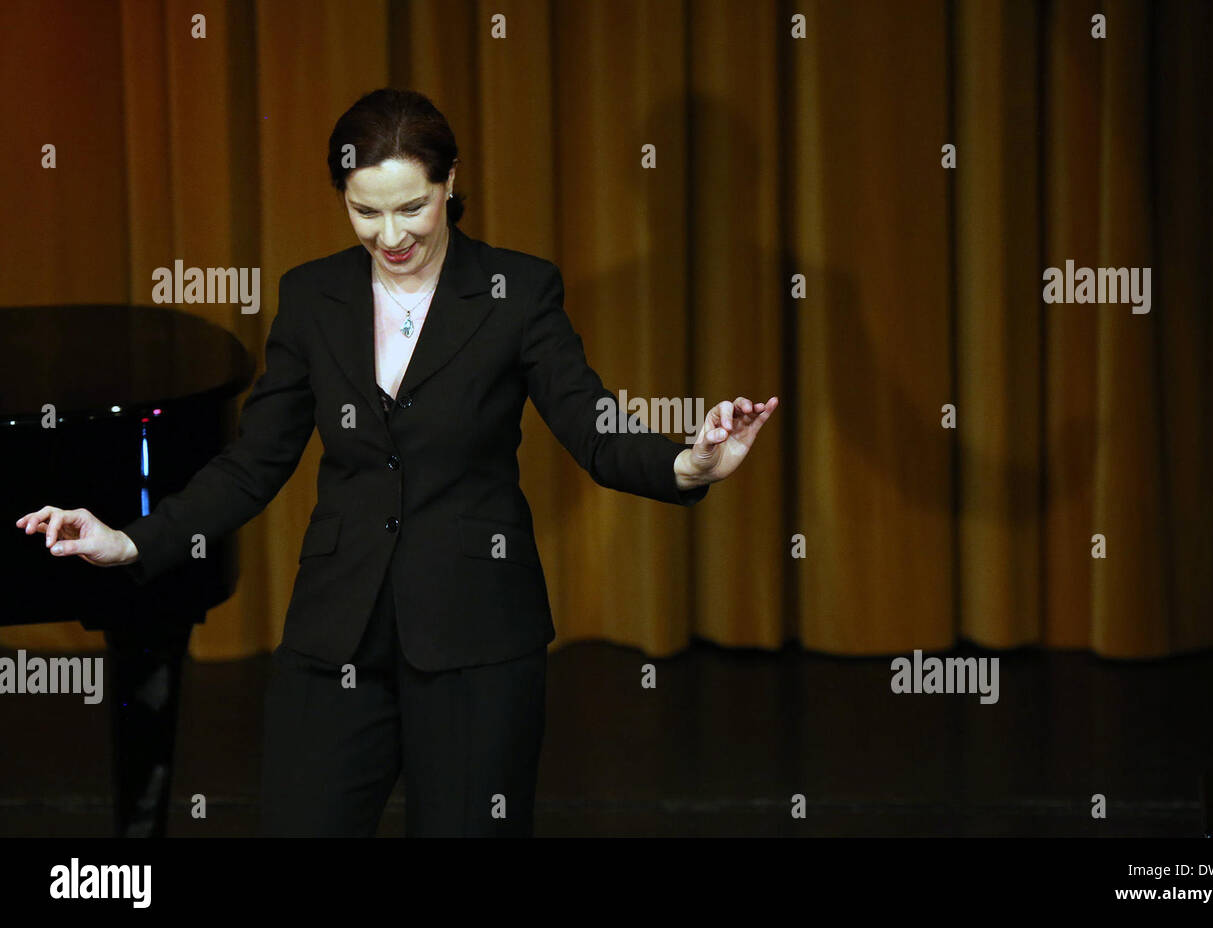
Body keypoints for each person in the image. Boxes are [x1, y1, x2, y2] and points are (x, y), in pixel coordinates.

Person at [14, 88, 778, 837]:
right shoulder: (313, 297)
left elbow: (595, 429)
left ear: (449, 185)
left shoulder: (517, 292)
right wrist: (132, 540)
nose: (390, 235)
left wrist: (690, 463)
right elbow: (253, 462)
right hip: (337, 630)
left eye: (411, 207)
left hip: (477, 635)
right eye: (365, 210)